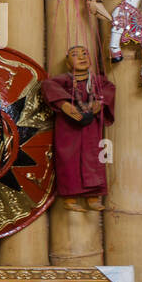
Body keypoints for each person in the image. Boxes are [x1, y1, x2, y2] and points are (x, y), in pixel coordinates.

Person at [42, 45, 114, 212]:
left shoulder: (97, 81)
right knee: (68, 160)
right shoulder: (64, 80)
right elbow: (47, 85)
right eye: (75, 55)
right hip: (69, 128)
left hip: (91, 128)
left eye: (85, 53)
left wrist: (100, 103)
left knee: (93, 158)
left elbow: (109, 89)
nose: (82, 57)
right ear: (68, 64)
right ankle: (70, 198)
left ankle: (93, 197)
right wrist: (64, 105)